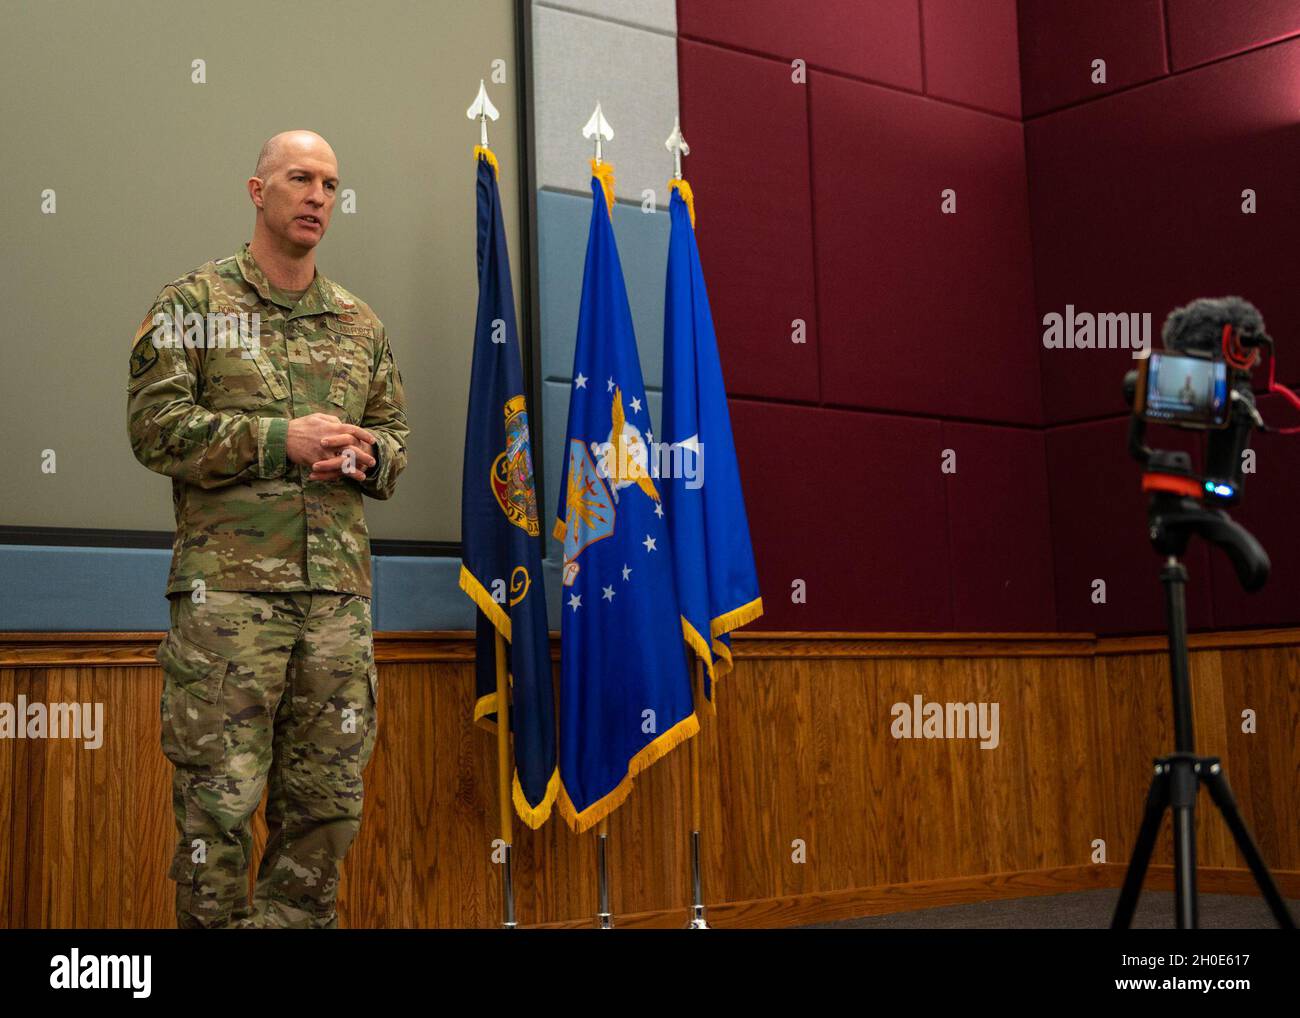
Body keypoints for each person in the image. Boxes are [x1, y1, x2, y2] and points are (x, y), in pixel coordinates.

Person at [126, 130, 409, 928]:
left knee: (326, 810)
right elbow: (155, 429)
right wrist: (275, 438)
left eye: (330, 183)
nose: (319, 195)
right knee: (216, 813)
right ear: (259, 192)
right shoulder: (194, 306)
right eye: (300, 178)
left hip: (337, 609)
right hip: (230, 609)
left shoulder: (360, 325)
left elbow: (395, 440)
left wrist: (366, 456)